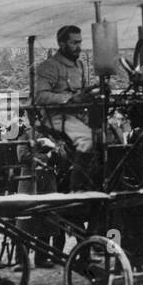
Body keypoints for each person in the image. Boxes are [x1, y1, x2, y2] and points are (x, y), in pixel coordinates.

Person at [33, 25, 98, 185]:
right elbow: (40, 96)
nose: (79, 47)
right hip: (55, 116)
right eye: (74, 43)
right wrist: (70, 99)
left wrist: (90, 92)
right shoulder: (50, 66)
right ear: (62, 44)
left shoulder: (80, 65)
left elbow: (81, 92)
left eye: (80, 42)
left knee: (108, 134)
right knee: (87, 139)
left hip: (76, 115)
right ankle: (77, 188)